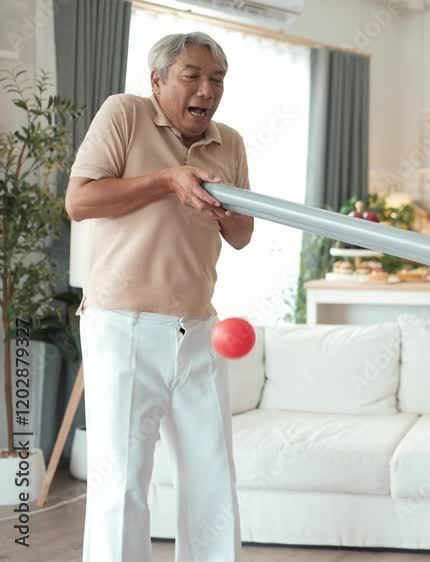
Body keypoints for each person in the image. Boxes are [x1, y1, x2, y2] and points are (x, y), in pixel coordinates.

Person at [65, 32, 252, 562]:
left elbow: (242, 235)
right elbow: (80, 201)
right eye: (192, 76)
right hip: (122, 325)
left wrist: (222, 208)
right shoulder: (124, 114)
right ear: (157, 80)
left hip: (198, 329)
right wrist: (169, 180)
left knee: (213, 477)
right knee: (122, 481)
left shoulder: (229, 142)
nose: (207, 90)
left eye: (217, 79)